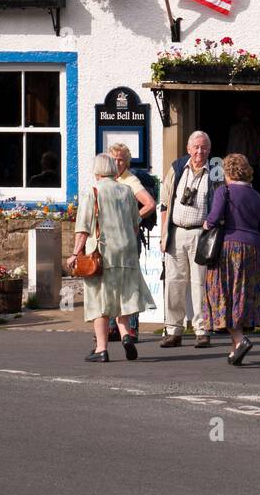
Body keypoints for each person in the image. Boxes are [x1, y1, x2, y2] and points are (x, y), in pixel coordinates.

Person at [66, 153, 154, 362]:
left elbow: (83, 229)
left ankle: (101, 349)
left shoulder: (93, 192)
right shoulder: (126, 191)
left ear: (97, 171)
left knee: (100, 302)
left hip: (102, 254)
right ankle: (126, 337)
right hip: (126, 253)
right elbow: (135, 223)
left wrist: (75, 253)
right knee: (122, 300)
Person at [201, 153, 260, 365]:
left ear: (228, 172)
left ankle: (240, 340)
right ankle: (235, 350)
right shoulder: (257, 197)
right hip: (254, 251)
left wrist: (206, 225)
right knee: (241, 297)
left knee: (223, 296)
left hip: (229, 249)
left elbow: (212, 220)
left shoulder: (226, 191)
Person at [158, 130, 224, 349]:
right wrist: (164, 235)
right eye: (195, 147)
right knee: (174, 284)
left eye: (204, 147)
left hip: (201, 234)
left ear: (209, 149)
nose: (199, 151)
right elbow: (165, 202)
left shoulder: (216, 169)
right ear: (188, 149)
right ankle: (173, 330)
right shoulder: (177, 167)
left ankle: (201, 330)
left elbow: (222, 199)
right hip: (176, 232)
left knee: (200, 284)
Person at [106, 143, 157, 342]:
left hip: (128, 238)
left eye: (121, 159)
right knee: (110, 281)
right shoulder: (107, 179)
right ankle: (113, 327)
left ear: (126, 162)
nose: (117, 163)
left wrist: (131, 220)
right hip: (109, 240)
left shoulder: (130, 180)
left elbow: (150, 204)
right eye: (114, 159)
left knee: (129, 281)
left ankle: (132, 328)